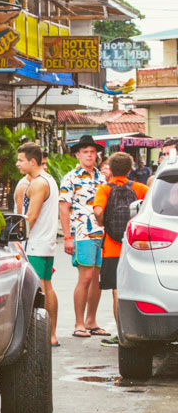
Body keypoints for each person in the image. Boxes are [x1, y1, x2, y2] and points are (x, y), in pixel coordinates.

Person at [93, 152, 149, 346]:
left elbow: (98, 211)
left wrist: (103, 223)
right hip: (135, 246)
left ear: (111, 168)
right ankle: (142, 331)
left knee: (117, 291)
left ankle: (122, 334)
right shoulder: (141, 188)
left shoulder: (104, 189)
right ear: (130, 169)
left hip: (112, 247)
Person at [59, 135, 109, 339]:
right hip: (82, 232)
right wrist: (67, 237)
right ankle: (79, 322)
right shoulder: (71, 178)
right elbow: (64, 208)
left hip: (103, 234)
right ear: (78, 154)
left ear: (97, 154)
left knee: (97, 279)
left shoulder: (102, 178)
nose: (89, 155)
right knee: (85, 277)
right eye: (85, 152)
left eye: (92, 152)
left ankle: (91, 320)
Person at [13, 142, 60, 347]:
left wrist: (15, 237)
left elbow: (30, 217)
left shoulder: (38, 183)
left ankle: (46, 335)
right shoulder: (47, 180)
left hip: (36, 244)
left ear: (33, 161)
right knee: (46, 286)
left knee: (40, 289)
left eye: (21, 160)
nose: (17, 164)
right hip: (45, 242)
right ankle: (50, 334)